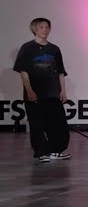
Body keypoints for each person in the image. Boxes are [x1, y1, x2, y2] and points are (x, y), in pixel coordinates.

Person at [13, 17, 71, 162]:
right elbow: (23, 71)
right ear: (35, 29)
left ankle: (55, 151)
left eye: (47, 27)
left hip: (53, 94)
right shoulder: (27, 48)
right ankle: (41, 152)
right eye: (41, 27)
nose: (44, 30)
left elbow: (60, 72)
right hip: (36, 94)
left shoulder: (54, 49)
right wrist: (29, 90)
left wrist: (63, 91)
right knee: (37, 125)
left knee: (58, 125)